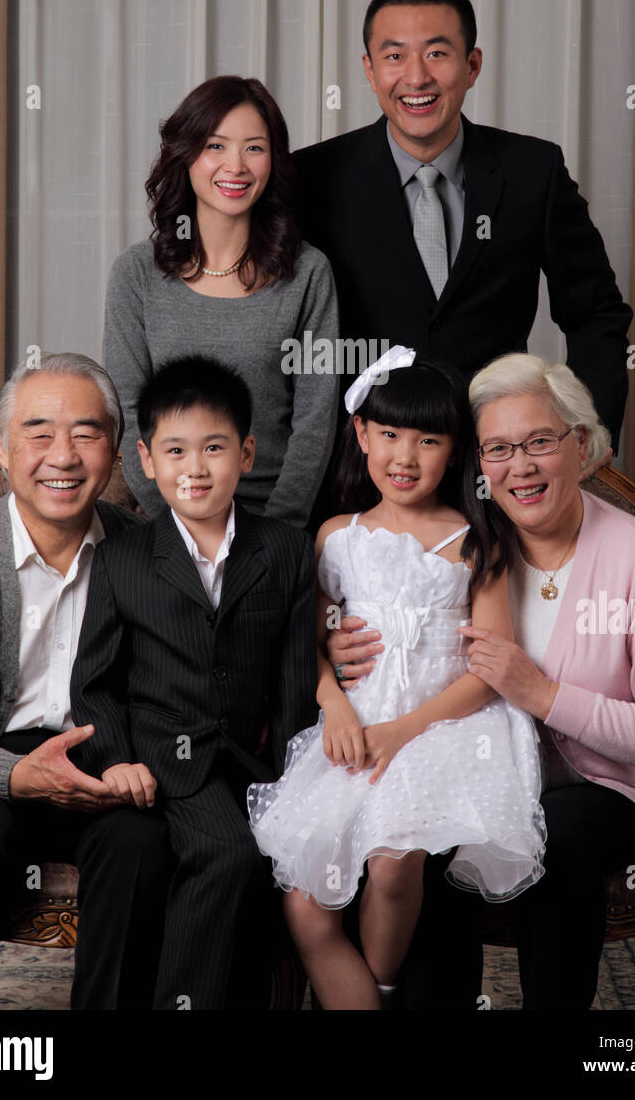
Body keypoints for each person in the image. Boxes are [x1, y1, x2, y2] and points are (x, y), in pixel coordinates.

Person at [330, 353, 635, 1009]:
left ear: (582, 447)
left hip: (608, 794)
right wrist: (342, 643)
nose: (520, 467)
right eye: (499, 449)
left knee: (552, 831)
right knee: (428, 830)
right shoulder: (466, 542)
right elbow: (388, 622)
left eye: (539, 442)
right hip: (475, 776)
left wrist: (542, 695)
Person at [247, 347, 545, 1010]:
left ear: (455, 449)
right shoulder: (335, 537)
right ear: (360, 434)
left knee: (393, 858)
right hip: (355, 725)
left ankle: (379, 986)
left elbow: (490, 672)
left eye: (428, 441)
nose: (405, 457)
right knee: (303, 900)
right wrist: (334, 702)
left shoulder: (476, 541)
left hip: (443, 726)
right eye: (389, 435)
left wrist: (402, 731)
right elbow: (308, 644)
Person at [0, 353, 174, 1011]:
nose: (64, 456)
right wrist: (13, 775)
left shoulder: (147, 553)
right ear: (2, 446)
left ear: (115, 449)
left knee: (142, 842)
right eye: (39, 433)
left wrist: (135, 762)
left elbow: (177, 688)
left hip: (102, 760)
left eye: (86, 433)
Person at [70, 355, 318, 1010]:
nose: (196, 468)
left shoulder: (286, 549)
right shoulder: (122, 559)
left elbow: (296, 681)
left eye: (214, 447)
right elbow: (93, 683)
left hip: (255, 764)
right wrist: (116, 760)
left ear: (247, 453)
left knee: (278, 860)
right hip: (164, 761)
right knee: (229, 853)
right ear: (146, 460)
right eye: (175, 450)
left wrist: (294, 781)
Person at [294, 0, 631, 451]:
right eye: (394, 56)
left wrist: (588, 435)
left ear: (472, 65)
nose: (416, 78)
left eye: (437, 53)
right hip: (362, 461)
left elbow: (595, 313)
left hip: (498, 457)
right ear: (369, 70)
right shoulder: (312, 178)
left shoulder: (533, 171)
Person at [103, 74, 339, 528]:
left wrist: (276, 533)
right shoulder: (137, 273)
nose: (236, 166)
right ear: (186, 154)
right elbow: (128, 414)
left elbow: (315, 420)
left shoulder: (308, 272)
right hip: (169, 525)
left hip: (275, 525)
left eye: (254, 148)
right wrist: (181, 530)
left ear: (273, 160)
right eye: (215, 146)